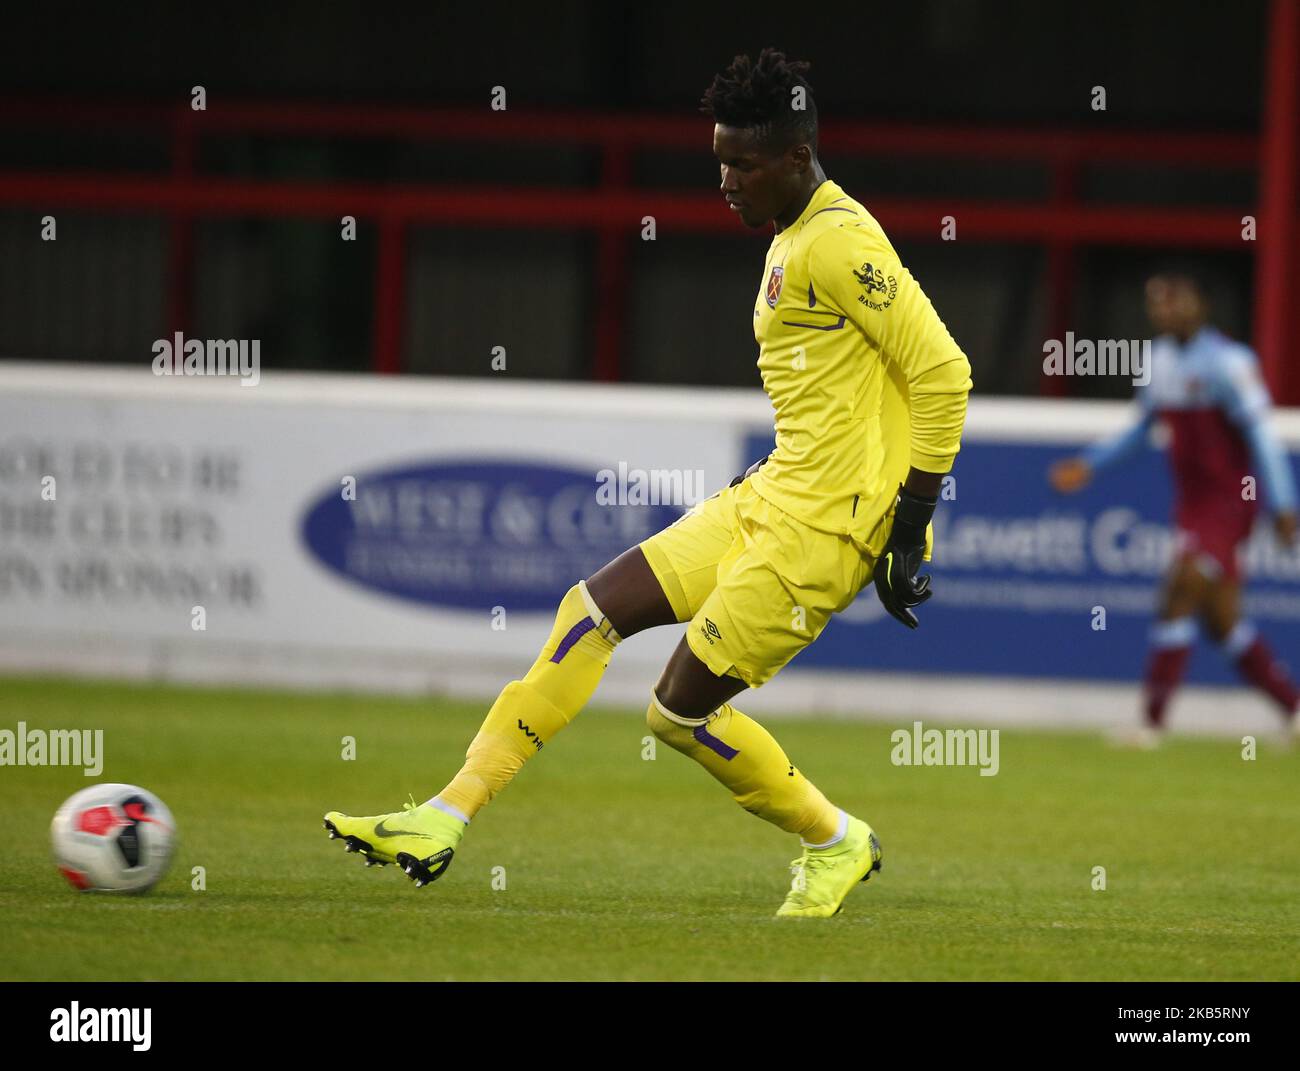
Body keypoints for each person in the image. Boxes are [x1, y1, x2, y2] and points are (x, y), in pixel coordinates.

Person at [325, 49, 973, 918]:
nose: (726, 181)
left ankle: (836, 840)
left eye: (742, 164)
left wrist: (906, 528)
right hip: (772, 499)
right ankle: (444, 817)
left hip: (822, 537)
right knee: (588, 610)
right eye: (718, 162)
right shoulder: (796, 232)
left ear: (795, 155)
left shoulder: (842, 243)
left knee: (676, 715)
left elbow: (943, 373)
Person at [1050, 273, 1298, 746]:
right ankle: (1293, 709)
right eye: (1157, 303)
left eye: (1176, 300)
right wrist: (1089, 465)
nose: (1166, 310)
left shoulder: (1229, 362)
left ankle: (1152, 721)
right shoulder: (1157, 362)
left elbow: (1263, 437)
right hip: (1193, 508)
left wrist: (1284, 503)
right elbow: (1142, 430)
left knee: (1177, 592)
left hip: (1228, 507)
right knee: (1223, 624)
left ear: (1201, 304)